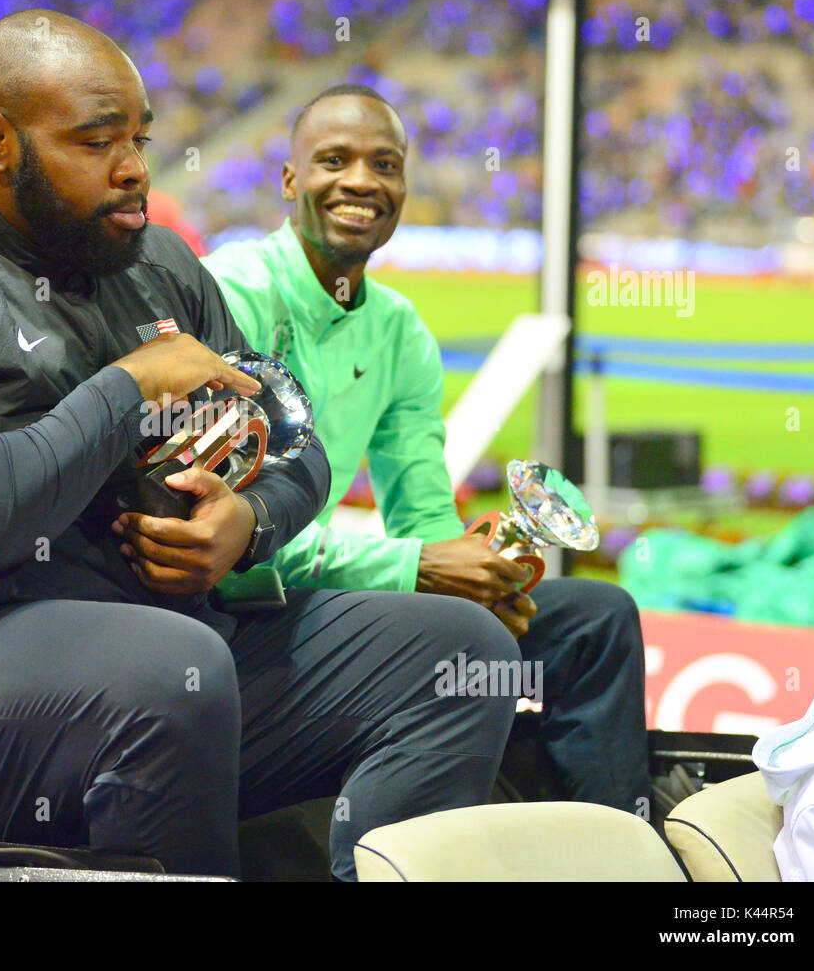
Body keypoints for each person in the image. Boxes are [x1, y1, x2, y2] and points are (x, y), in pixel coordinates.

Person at [0, 14, 522, 882]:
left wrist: (248, 521)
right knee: (171, 672)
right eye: (97, 141)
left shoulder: (159, 262)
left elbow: (294, 437)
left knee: (464, 654)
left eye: (140, 137)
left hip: (167, 650)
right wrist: (131, 389)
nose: (133, 167)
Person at [203, 84, 651, 814]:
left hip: (329, 599)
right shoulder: (236, 291)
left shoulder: (400, 330)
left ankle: (616, 853)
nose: (361, 181)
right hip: (234, 608)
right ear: (290, 181)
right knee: (460, 638)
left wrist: (481, 578)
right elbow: (226, 533)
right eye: (333, 160)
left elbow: (424, 516)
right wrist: (421, 569)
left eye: (385, 164)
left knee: (596, 622)